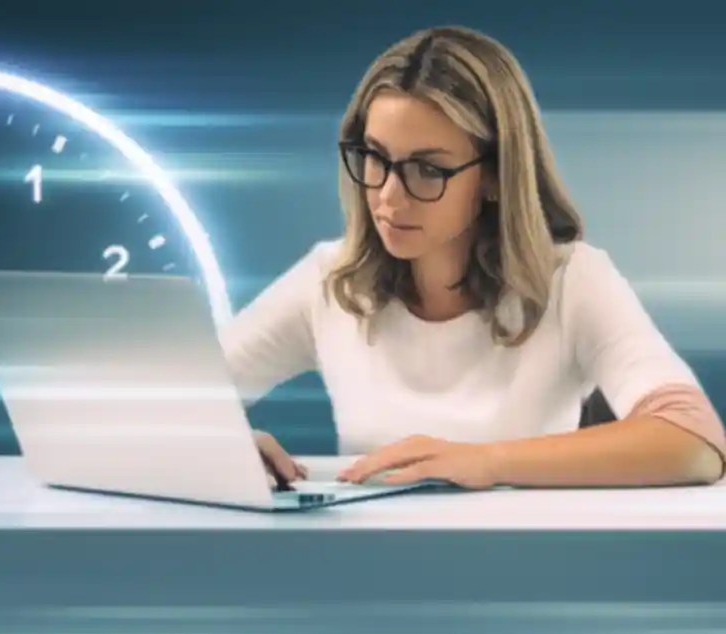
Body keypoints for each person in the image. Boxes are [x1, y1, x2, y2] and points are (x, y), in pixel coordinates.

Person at [219, 25, 726, 491]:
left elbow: (697, 444)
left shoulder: (573, 281)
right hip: (367, 568)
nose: (389, 198)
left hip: (526, 566)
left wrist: (489, 462)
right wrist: (223, 444)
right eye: (375, 157)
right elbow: (156, 408)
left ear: (493, 176)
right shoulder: (330, 280)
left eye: (427, 170)